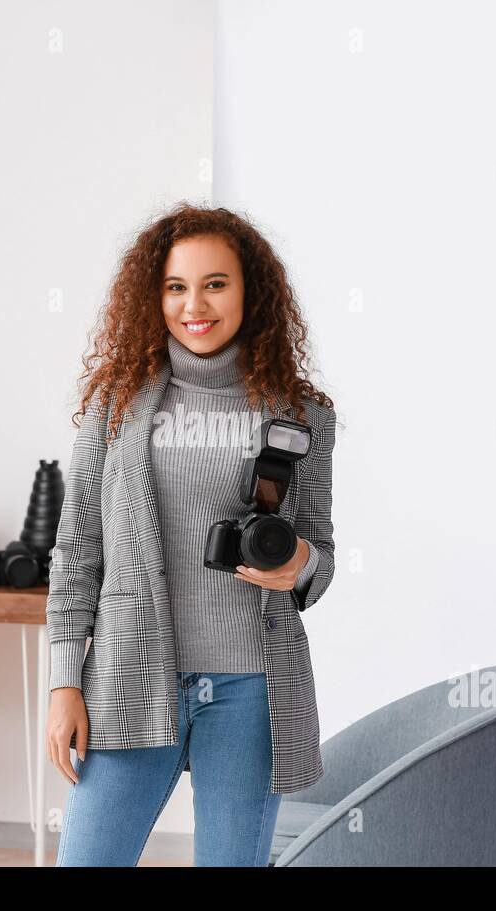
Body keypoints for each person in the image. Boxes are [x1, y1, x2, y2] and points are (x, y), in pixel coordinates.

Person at [48, 201, 337, 866]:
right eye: (176, 287)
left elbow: (320, 552)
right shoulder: (116, 404)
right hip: (129, 674)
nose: (193, 304)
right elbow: (76, 551)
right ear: (155, 297)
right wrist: (65, 682)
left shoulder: (302, 415)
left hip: (250, 689)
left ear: (248, 291)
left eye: (215, 284)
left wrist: (297, 563)